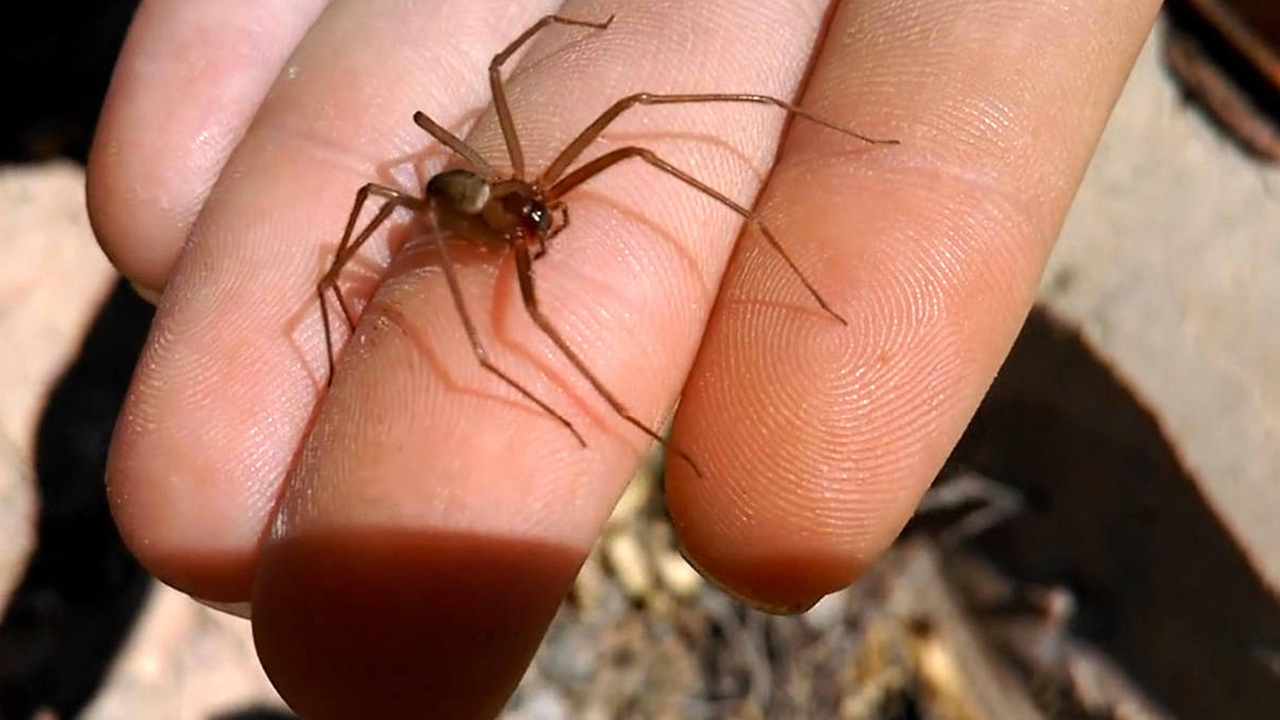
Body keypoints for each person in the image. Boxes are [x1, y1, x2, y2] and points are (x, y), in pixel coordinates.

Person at [86, 1, 1163, 717]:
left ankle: (788, 143)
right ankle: (627, 426)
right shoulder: (472, 223)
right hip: (450, 204)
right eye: (533, 217)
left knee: (640, 123)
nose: (543, 223)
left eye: (536, 211)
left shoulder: (536, 179)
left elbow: (585, 98)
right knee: (471, 291)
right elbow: (448, 260)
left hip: (492, 176)